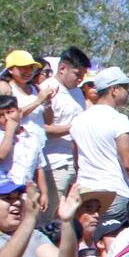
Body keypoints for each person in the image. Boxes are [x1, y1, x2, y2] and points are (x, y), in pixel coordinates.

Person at [69, 67, 129, 222]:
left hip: (85, 195)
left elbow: (76, 162)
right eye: (125, 88)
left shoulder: (77, 121)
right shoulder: (118, 119)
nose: (128, 92)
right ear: (114, 90)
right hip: (114, 194)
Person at [41, 46, 91, 221]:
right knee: (50, 216)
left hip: (74, 165)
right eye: (77, 74)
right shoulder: (47, 88)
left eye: (83, 76)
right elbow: (41, 129)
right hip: (53, 164)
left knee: (67, 218)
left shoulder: (78, 93)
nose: (80, 80)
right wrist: (75, 126)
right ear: (62, 68)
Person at [0, 95, 45, 199]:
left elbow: (39, 167)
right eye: (0, 116)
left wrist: (44, 193)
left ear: (20, 112)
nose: (7, 118)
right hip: (2, 192)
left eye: (10, 112)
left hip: (25, 192)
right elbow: (1, 156)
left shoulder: (32, 138)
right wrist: (10, 131)